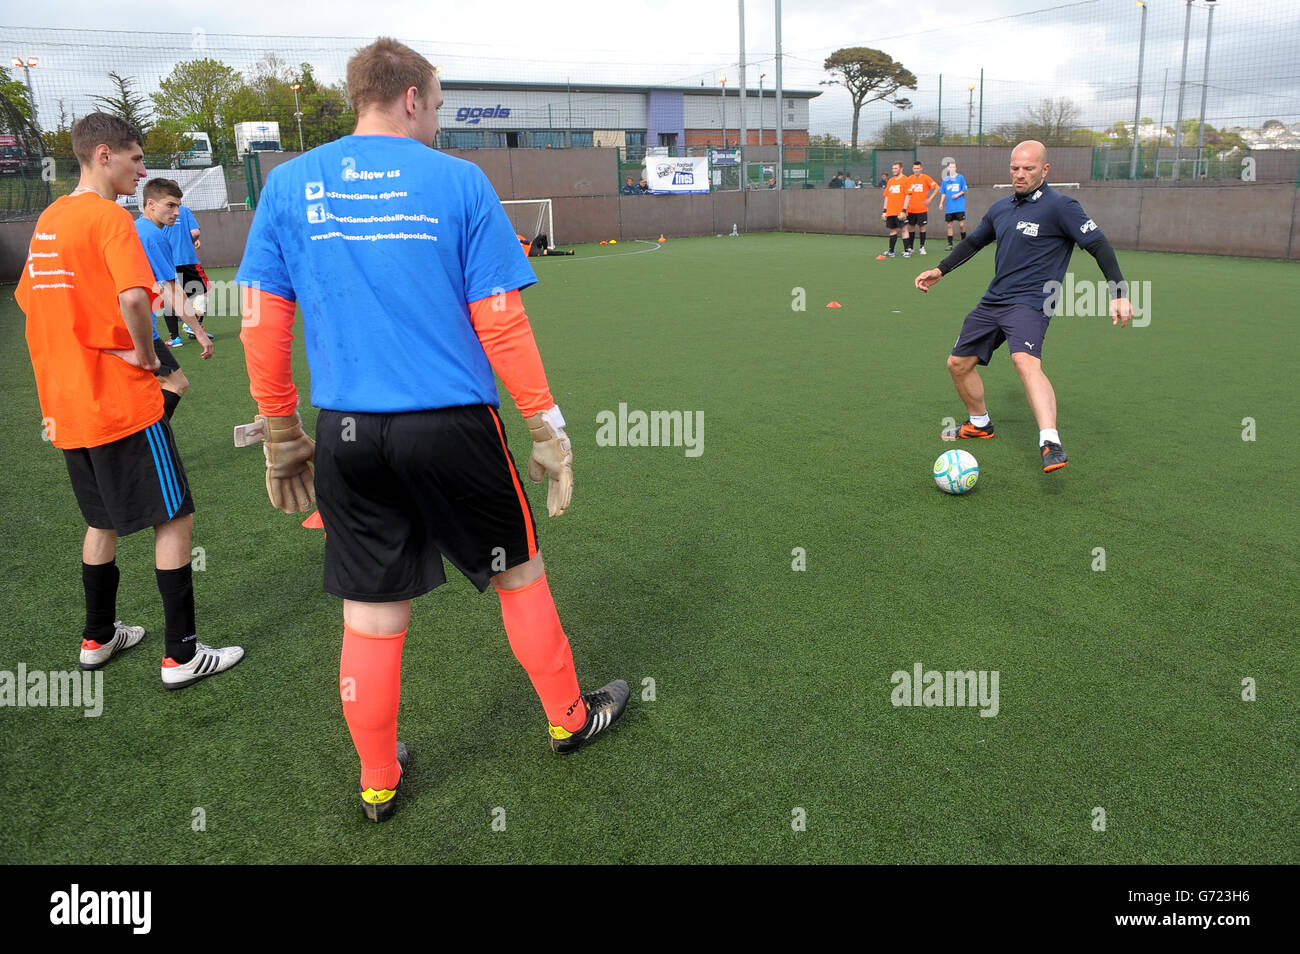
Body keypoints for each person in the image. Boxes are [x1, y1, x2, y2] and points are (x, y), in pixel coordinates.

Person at [235, 37, 629, 824]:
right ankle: (569, 719)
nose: (440, 118)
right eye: (441, 103)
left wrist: (281, 426)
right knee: (517, 574)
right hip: (452, 427)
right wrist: (545, 424)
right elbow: (501, 321)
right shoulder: (457, 181)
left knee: (371, 615)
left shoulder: (289, 185)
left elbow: (260, 321)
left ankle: (378, 778)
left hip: (347, 433)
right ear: (411, 97)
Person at [14, 113, 243, 688]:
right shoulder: (106, 218)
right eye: (137, 159)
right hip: (116, 399)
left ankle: (97, 637)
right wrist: (144, 354)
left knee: (101, 519)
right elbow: (136, 299)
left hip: (65, 401)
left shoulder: (50, 220)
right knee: (176, 515)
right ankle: (182, 654)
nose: (143, 172)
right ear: (103, 154)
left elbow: (29, 301)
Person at [913, 141, 1134, 473]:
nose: (1020, 174)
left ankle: (1050, 441)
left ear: (1045, 170)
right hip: (994, 299)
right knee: (958, 364)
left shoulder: (1061, 207)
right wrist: (940, 269)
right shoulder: (1001, 208)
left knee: (1024, 361)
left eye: (1028, 169)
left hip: (1032, 301)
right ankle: (979, 424)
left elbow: (1098, 244)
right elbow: (974, 241)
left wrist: (1118, 291)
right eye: (1015, 168)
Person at [134, 178, 214, 422]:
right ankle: (152, 437)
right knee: (177, 383)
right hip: (139, 328)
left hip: (124, 326)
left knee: (146, 387)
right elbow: (171, 290)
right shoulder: (154, 237)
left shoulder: (134, 228)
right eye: (170, 205)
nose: (176, 212)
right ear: (150, 204)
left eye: (178, 206)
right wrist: (199, 333)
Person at [164, 201, 213, 341]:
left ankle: (174, 338)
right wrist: (189, 241)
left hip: (166, 260)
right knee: (203, 290)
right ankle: (194, 325)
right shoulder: (184, 210)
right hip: (185, 258)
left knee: (170, 297)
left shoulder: (154, 213)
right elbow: (195, 232)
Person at [903, 160, 939, 257]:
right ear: (912, 169)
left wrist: (930, 199)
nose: (916, 170)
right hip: (911, 209)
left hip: (922, 209)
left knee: (922, 227)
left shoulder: (926, 178)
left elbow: (937, 187)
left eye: (918, 168)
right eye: (914, 168)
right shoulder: (909, 179)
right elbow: (905, 193)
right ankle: (910, 247)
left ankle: (922, 247)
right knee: (911, 228)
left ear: (921, 168)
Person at [876, 161, 909, 259]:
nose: (894, 170)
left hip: (900, 212)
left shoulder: (905, 180)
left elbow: (908, 196)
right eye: (893, 168)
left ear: (901, 169)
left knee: (904, 229)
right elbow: (887, 196)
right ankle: (891, 251)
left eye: (896, 168)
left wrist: (904, 210)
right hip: (890, 211)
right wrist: (884, 211)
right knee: (892, 230)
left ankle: (907, 251)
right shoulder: (890, 181)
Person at [940, 160, 969, 250]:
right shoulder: (946, 180)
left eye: (953, 167)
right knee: (949, 225)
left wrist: (958, 194)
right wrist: (941, 203)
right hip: (949, 207)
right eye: (950, 167)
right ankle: (950, 244)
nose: (952, 168)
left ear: (956, 168)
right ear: (948, 168)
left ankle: (964, 241)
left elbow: (964, 189)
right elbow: (943, 192)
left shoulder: (961, 177)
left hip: (959, 206)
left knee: (961, 225)